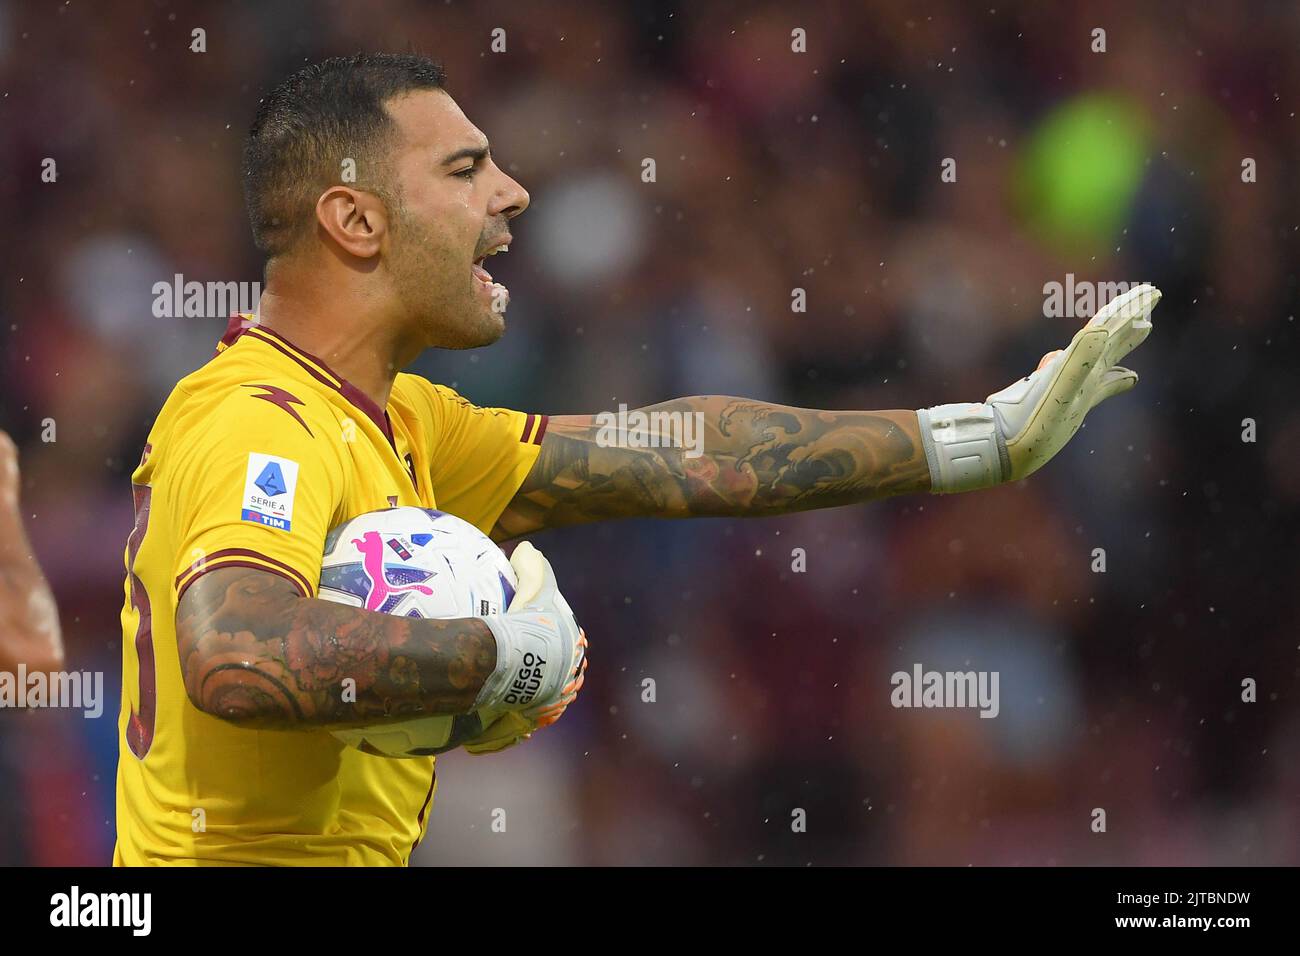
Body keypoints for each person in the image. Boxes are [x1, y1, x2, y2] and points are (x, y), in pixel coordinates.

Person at [114, 53, 1159, 866]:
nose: (512, 192)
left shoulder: (405, 421)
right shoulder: (257, 420)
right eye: (465, 169)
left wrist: (970, 438)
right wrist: (492, 657)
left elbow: (672, 452)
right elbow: (237, 652)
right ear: (353, 218)